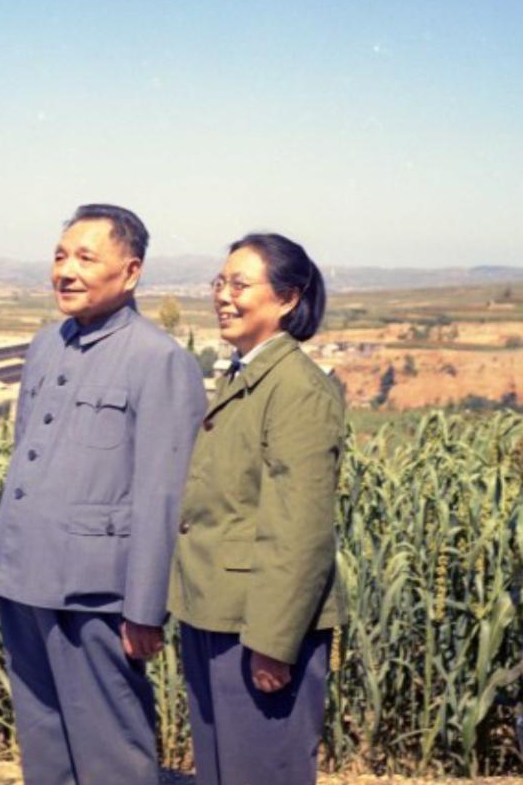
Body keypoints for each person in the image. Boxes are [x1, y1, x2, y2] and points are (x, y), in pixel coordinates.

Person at [0, 204, 207, 785]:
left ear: (130, 272)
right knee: (44, 741)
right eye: (60, 256)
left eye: (86, 258)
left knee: (111, 749)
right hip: (23, 576)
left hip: (97, 591)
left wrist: (144, 608)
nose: (66, 271)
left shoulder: (159, 360)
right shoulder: (45, 345)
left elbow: (163, 495)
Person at [167, 232, 346, 785]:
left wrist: (273, 643)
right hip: (216, 612)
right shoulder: (245, 374)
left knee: (263, 773)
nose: (223, 295)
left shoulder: (297, 390)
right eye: (219, 282)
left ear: (288, 298)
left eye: (240, 284)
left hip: (258, 625)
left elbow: (300, 532)